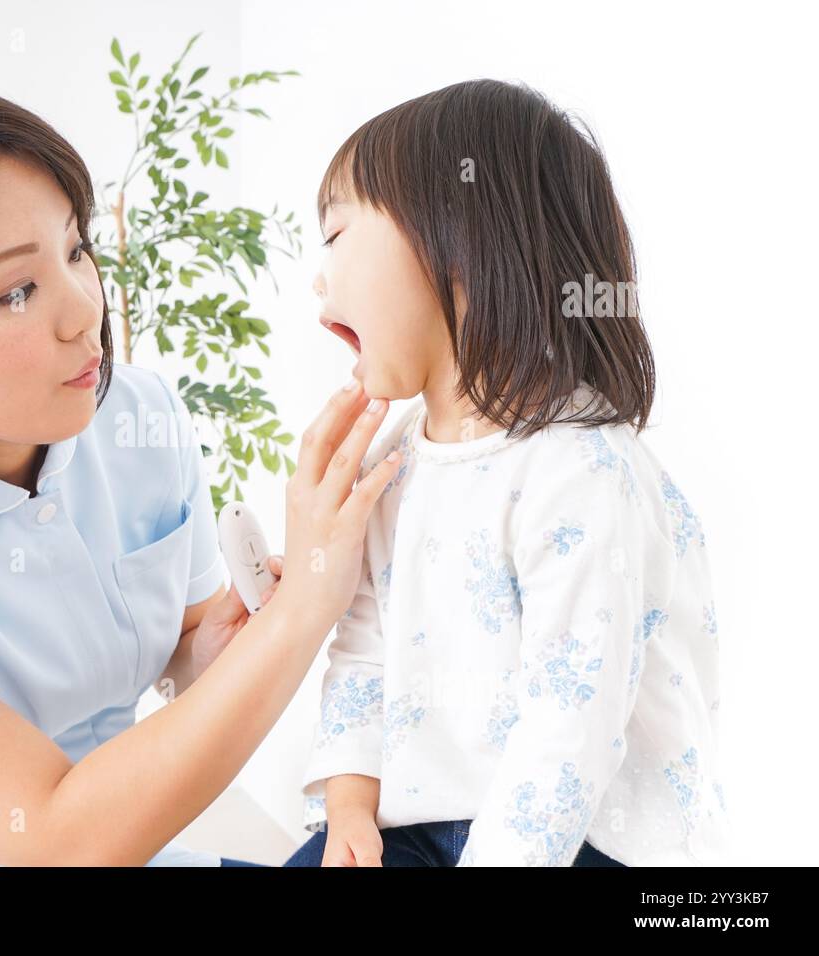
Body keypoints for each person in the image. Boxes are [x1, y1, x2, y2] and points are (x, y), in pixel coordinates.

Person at [0, 80, 403, 866]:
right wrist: (305, 610)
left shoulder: (138, 417)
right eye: (16, 292)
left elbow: (181, 649)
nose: (82, 310)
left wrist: (220, 646)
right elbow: (59, 837)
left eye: (76, 249)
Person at [288, 79, 735, 866]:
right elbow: (362, 644)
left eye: (335, 236)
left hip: (594, 833)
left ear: (452, 240)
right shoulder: (397, 459)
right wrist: (350, 806)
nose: (319, 280)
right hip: (426, 826)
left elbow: (571, 728)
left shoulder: (580, 469)